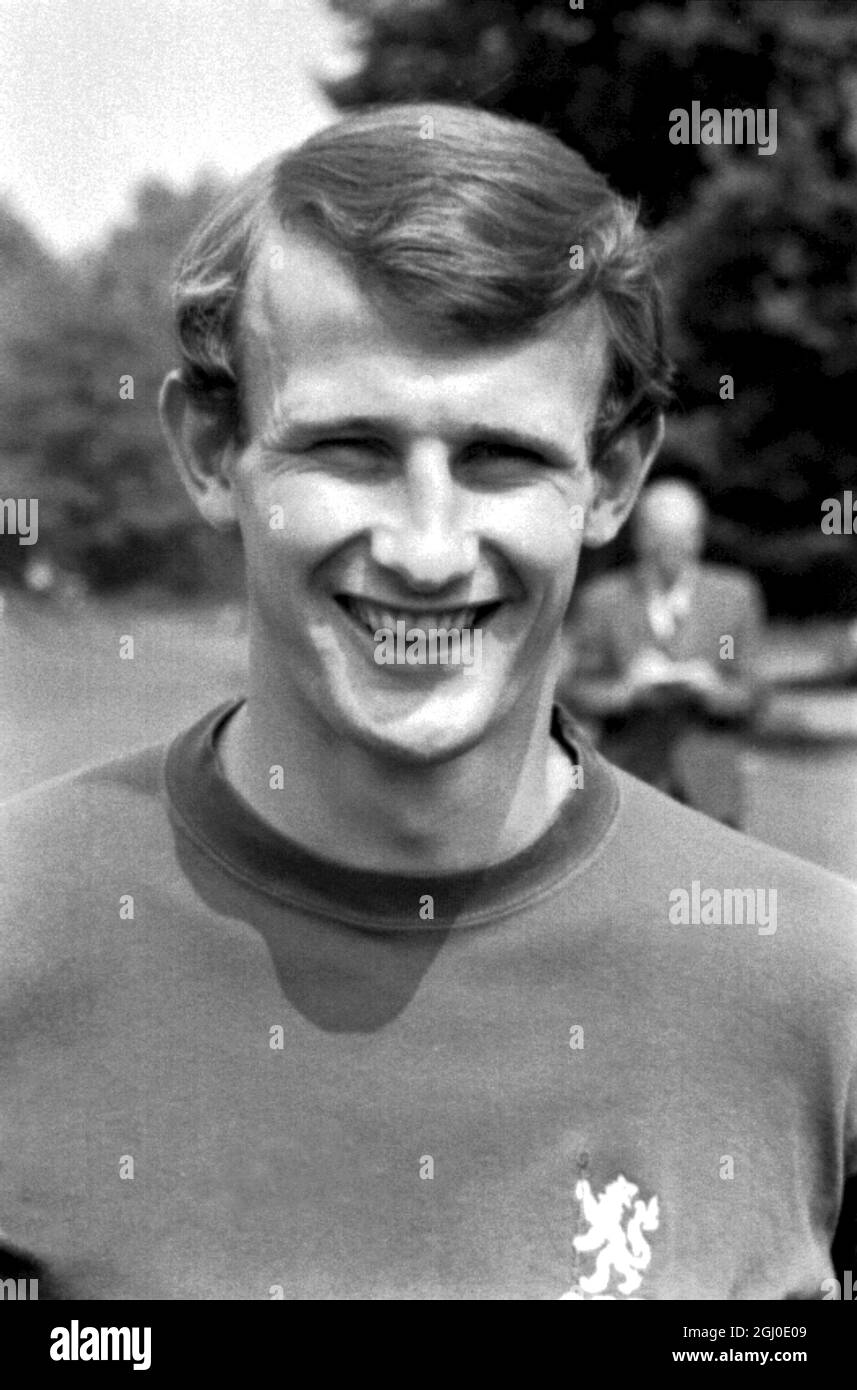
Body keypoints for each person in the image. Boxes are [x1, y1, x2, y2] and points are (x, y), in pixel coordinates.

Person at [1, 103, 855, 1302]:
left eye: (500, 458)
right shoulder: (19, 932)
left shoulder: (820, 990)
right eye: (348, 447)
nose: (425, 547)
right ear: (210, 448)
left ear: (610, 478)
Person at [559, 479, 765, 801]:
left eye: (682, 537)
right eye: (660, 537)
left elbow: (752, 694)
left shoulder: (733, 598)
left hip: (711, 792)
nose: (671, 550)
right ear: (640, 537)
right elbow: (575, 693)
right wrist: (626, 690)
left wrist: (712, 687)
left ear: (698, 537)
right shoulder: (604, 600)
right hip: (631, 786)